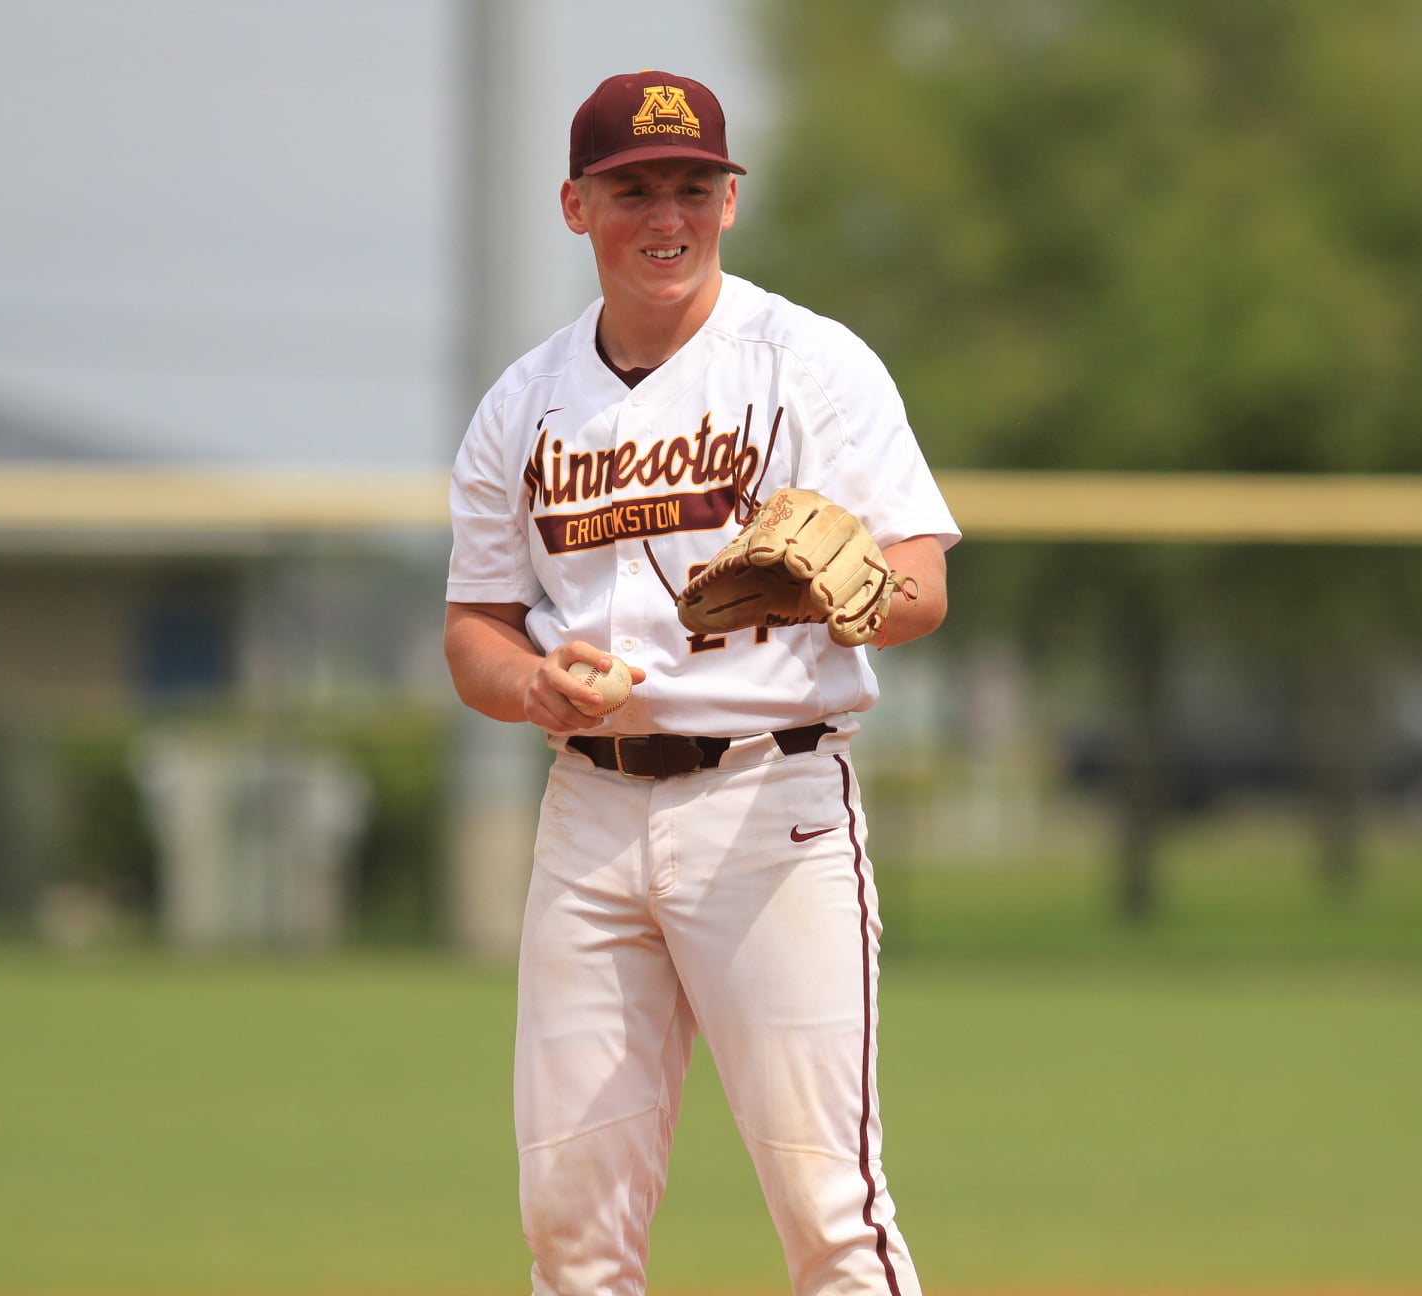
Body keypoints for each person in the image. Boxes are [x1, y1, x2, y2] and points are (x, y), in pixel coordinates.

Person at [443, 69, 958, 1296]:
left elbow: (922, 589)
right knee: (572, 1229)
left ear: (730, 200)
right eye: (632, 189)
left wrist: (850, 596)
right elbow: (474, 631)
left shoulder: (810, 366)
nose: (664, 214)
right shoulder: (521, 406)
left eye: (692, 186)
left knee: (832, 1214)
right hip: (589, 811)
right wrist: (530, 688)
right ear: (577, 206)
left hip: (767, 810)